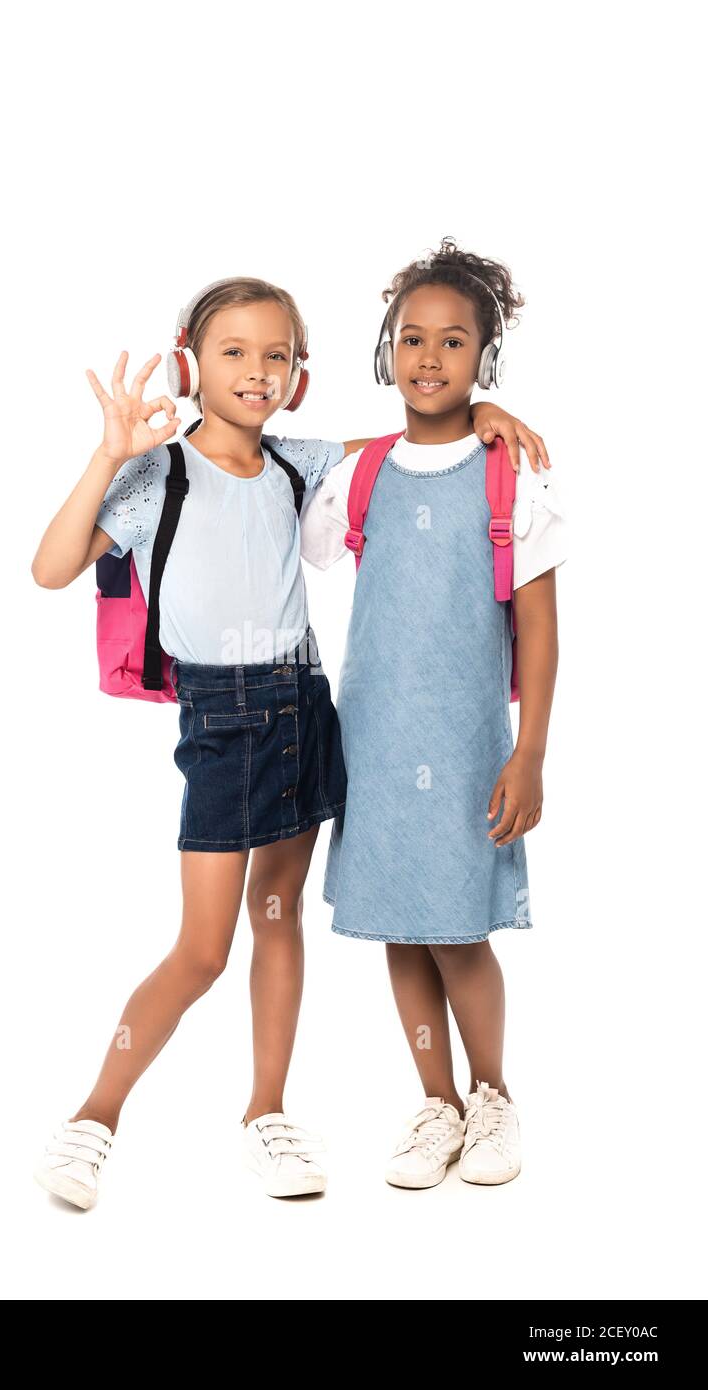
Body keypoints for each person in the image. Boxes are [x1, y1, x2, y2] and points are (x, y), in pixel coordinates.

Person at [30, 274, 549, 1206]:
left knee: (279, 919)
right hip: (221, 719)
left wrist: (488, 412)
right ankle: (93, 1118)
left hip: (304, 709)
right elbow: (51, 566)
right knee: (201, 949)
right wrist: (107, 456)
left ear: (300, 377)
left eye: (277, 357)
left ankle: (265, 1113)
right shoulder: (155, 474)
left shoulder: (296, 462)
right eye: (233, 353)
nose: (257, 373)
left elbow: (405, 443)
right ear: (191, 362)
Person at [300, 240, 566, 1189]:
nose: (428, 358)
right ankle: (436, 1102)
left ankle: (493, 1096)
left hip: (463, 747)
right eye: (411, 338)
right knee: (400, 926)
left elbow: (536, 629)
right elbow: (269, 475)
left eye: (453, 342)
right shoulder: (360, 473)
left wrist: (528, 752)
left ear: (483, 360)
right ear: (385, 349)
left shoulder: (510, 474)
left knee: (458, 927)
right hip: (373, 739)